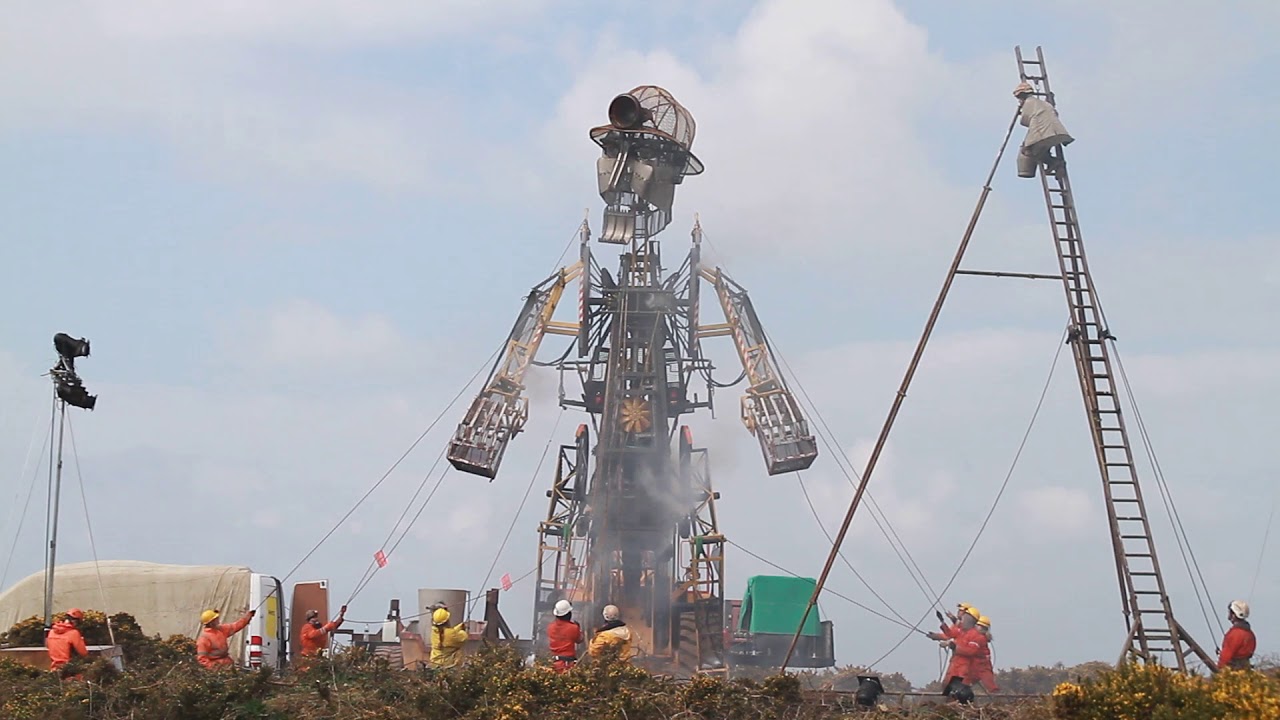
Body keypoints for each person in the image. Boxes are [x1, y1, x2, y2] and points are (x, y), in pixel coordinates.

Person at [1013, 81, 1074, 178]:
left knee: (1028, 151)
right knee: (1042, 149)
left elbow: (1024, 120)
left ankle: (1055, 162)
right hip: (1058, 132)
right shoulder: (1045, 104)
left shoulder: (1029, 102)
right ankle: (1055, 164)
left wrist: (1021, 112)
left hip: (1044, 133)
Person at [46, 608, 89, 673]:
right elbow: (83, 653)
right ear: (76, 621)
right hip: (69, 670)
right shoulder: (74, 633)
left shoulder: (52, 632)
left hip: (54, 669)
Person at [1218, 600, 1257, 670]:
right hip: (1246, 669)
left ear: (1234, 615)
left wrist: (1219, 670)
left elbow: (1226, 656)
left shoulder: (1235, 634)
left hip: (1234, 671)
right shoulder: (1250, 634)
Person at [547, 600, 584, 672]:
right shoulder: (573, 628)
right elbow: (580, 639)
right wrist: (578, 629)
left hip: (554, 663)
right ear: (568, 614)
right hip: (568, 664)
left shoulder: (550, 627)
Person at [971, 616, 1001, 693]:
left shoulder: (979, 638)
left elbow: (969, 649)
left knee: (992, 687)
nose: (975, 626)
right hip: (980, 665)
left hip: (981, 666)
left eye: (977, 625)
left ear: (982, 628)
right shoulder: (981, 637)